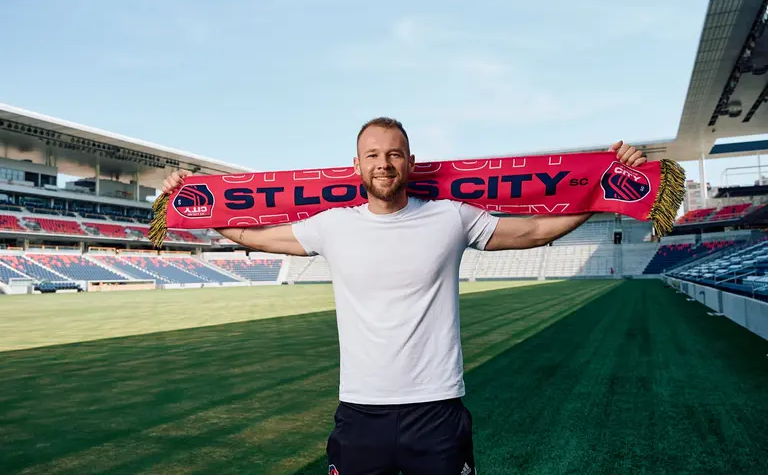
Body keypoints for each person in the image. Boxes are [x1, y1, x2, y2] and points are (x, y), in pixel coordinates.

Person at [161, 117, 646, 474]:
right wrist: (186, 202)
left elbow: (537, 229)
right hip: (359, 411)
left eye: (394, 154)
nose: (383, 163)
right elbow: (252, 236)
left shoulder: (450, 217)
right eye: (372, 155)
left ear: (410, 163)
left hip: (437, 409)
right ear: (356, 165)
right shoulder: (332, 226)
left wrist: (605, 190)